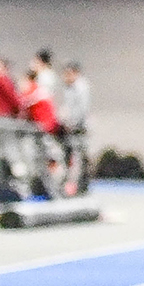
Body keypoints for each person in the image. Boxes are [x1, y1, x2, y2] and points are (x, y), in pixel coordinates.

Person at [60, 61, 92, 195]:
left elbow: (82, 110)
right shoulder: (69, 88)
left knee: (81, 158)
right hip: (71, 128)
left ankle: (82, 186)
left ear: (75, 73)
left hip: (79, 129)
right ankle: (70, 184)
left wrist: (72, 124)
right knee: (69, 156)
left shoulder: (81, 87)